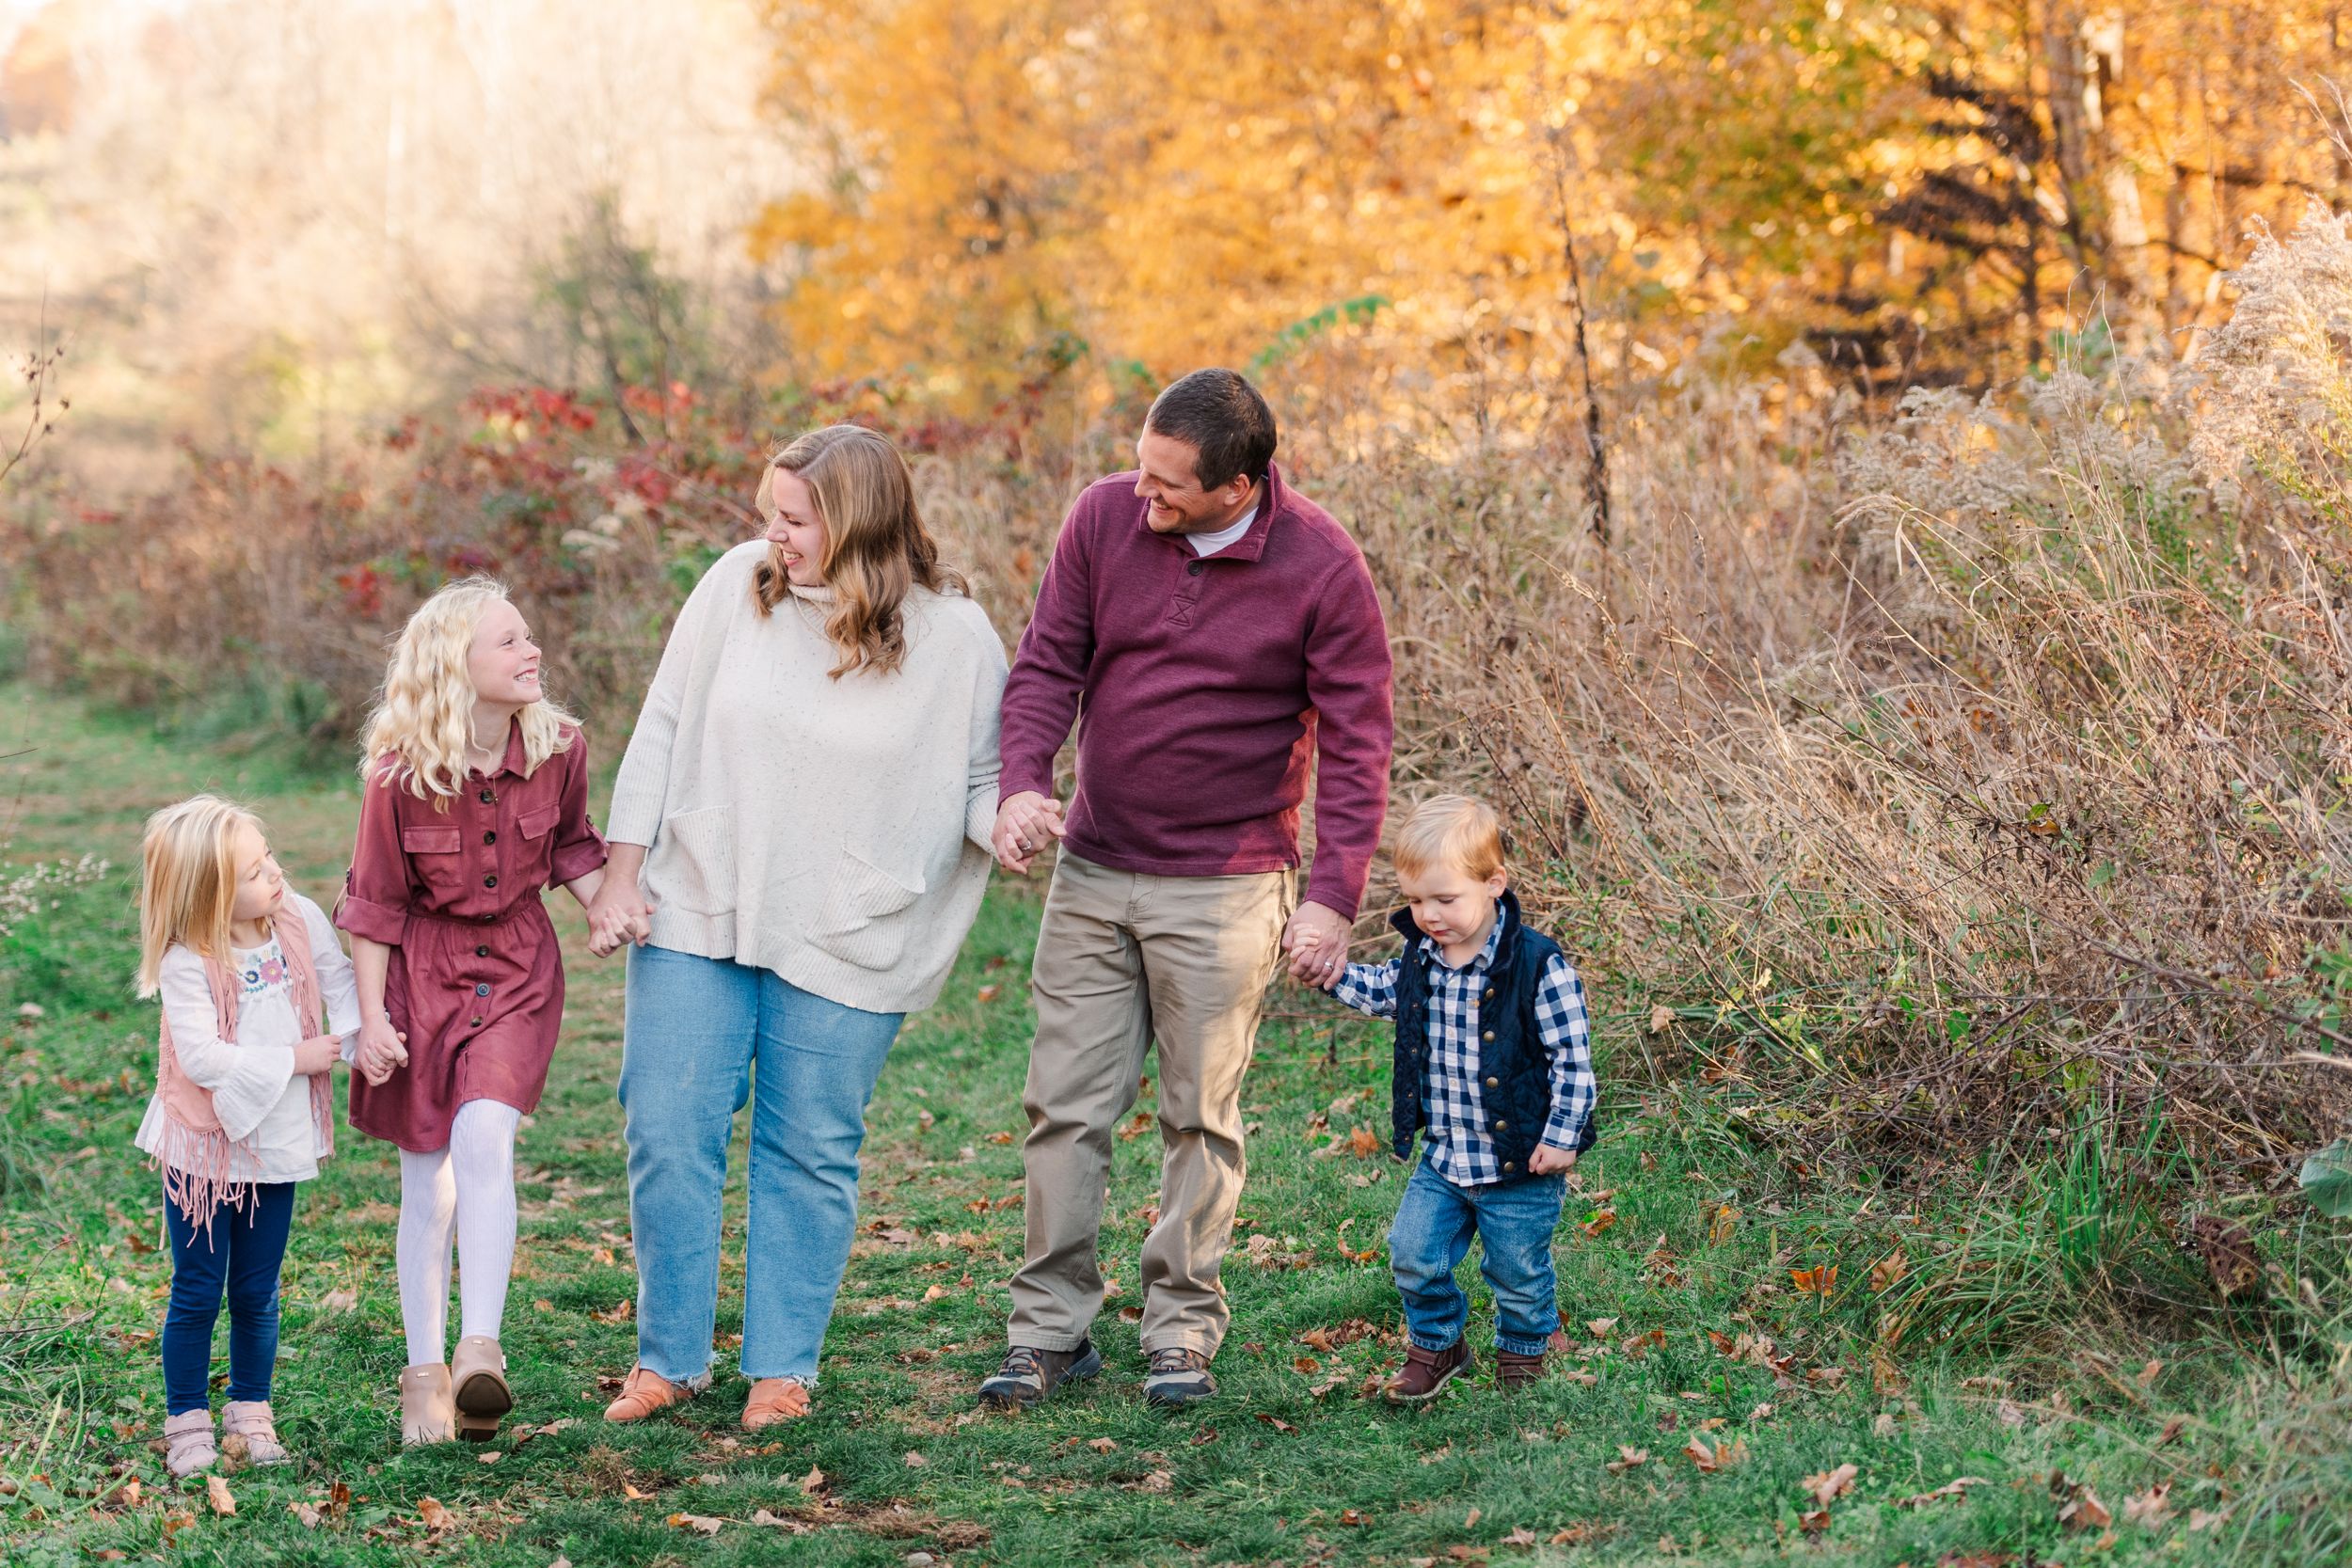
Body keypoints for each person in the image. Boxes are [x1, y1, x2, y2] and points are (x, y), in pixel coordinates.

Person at [979, 368, 1394, 1410]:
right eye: (1139, 467)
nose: (1141, 495)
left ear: (1238, 484)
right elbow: (1045, 665)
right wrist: (1025, 783)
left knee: (1197, 1117)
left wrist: (1333, 896)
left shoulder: (1322, 567)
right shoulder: (1101, 517)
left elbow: (1357, 744)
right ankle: (1047, 1330)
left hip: (1227, 882)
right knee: (1062, 1107)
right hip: (1093, 863)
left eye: (1167, 484)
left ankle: (1179, 1331)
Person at [584, 423, 1008, 1431]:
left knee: (809, 1145)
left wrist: (1023, 824)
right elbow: (662, 726)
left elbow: (982, 784)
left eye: (792, 518)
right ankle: (669, 1357)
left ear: (859, 523)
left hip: (844, 920)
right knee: (667, 1123)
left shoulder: (957, 638)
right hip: (703, 893)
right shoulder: (735, 587)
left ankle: (781, 1363)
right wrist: (621, 873)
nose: (769, 533)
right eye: (769, 512)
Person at [337, 578, 610, 1444]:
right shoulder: (399, 775)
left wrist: (608, 907)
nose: (532, 653)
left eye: (529, 638)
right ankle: (424, 1373)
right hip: (422, 971)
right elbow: (373, 902)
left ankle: (479, 1348)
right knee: (428, 1177)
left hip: (520, 964)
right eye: (509, 642)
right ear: (457, 665)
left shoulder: (561, 746)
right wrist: (376, 1018)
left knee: (485, 1136)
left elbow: (571, 846)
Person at [1319, 795, 1597, 1400]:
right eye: (1416, 901)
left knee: (1516, 1269)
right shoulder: (1423, 958)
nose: (1430, 915)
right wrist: (1335, 974)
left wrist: (1562, 1135)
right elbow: (1385, 990)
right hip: (1446, 1156)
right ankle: (1438, 1345)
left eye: (1446, 899)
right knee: (1414, 1252)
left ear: (1494, 883)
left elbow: (1572, 1059)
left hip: (1521, 1159)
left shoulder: (1538, 966)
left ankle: (1525, 1345)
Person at [134, 796, 360, 1478]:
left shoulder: (296, 920)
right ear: (211, 896)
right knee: (199, 1287)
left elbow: (341, 981)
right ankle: (186, 1420)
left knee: (258, 1289)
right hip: (202, 1147)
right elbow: (200, 1058)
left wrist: (358, 1037)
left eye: (270, 859)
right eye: (256, 872)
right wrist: (300, 1056)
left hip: (276, 1141)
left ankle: (250, 1409)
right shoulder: (187, 960)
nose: (276, 876)